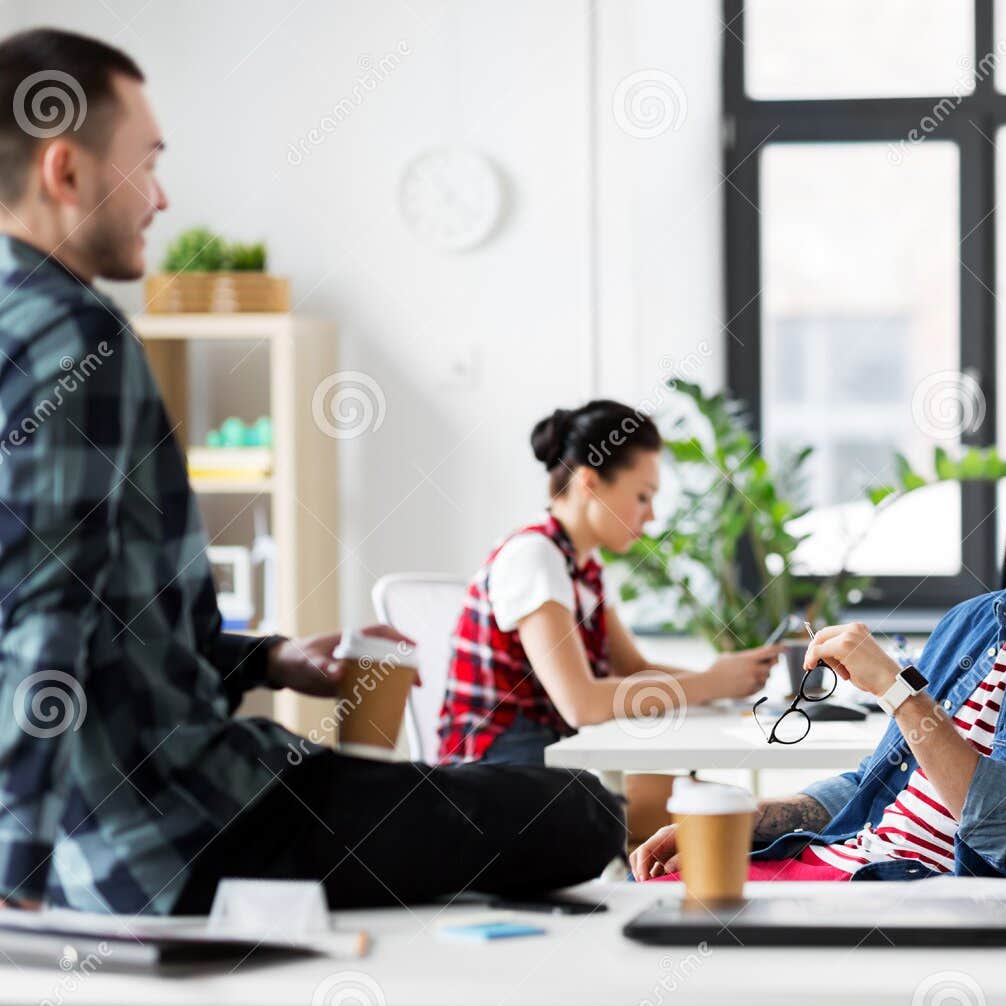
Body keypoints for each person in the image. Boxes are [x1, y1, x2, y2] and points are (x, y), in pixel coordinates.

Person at [0, 29, 622, 915]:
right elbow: (46, 612)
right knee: (582, 811)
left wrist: (275, 658)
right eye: (146, 163)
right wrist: (13, 882)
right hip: (192, 828)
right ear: (64, 170)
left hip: (115, 839)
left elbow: (111, 628)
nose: (161, 196)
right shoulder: (73, 332)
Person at [631, 397, 1006, 884]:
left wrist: (898, 690)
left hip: (926, 898)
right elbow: (874, 785)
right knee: (651, 892)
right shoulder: (971, 622)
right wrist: (746, 819)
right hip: (846, 861)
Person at [436, 401, 780, 768]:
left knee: (660, 778)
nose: (651, 515)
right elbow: (581, 704)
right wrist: (710, 684)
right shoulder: (534, 556)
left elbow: (631, 668)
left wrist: (724, 680)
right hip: (490, 768)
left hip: (542, 758)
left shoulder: (587, 568)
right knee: (650, 786)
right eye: (643, 496)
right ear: (589, 483)